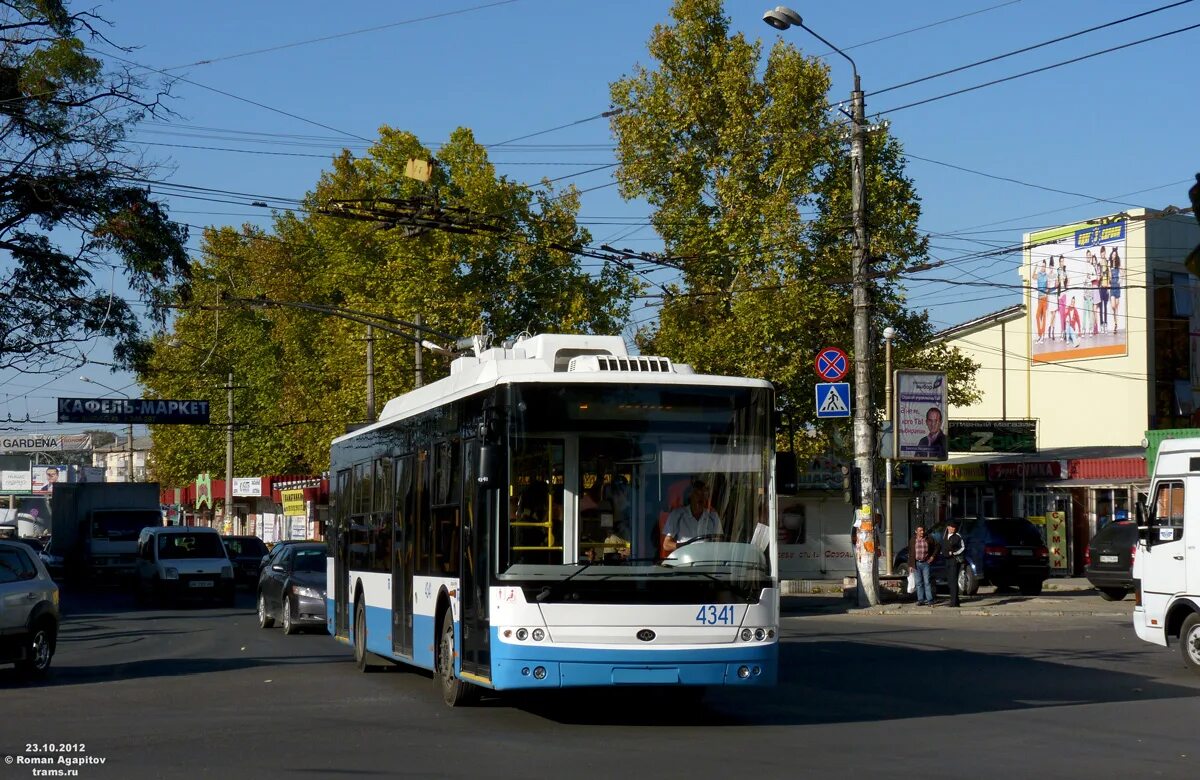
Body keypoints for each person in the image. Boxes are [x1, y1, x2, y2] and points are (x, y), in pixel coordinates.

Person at [661, 479, 721, 553]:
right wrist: (684, 547)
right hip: (684, 558)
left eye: (703, 494)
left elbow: (720, 543)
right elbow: (666, 544)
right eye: (697, 493)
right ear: (690, 495)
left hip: (707, 558)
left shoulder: (713, 517)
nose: (700, 497)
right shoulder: (677, 515)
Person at [908, 525, 939, 606]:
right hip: (916, 563)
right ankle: (920, 600)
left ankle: (930, 600)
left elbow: (937, 546)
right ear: (916, 531)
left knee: (927, 582)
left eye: (923, 530)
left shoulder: (928, 538)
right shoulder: (913, 540)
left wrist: (932, 556)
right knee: (918, 583)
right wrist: (910, 565)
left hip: (926, 563)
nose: (922, 532)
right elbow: (910, 553)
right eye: (920, 531)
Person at [942, 520, 966, 608]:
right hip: (946, 560)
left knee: (953, 581)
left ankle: (953, 602)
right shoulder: (944, 536)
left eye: (954, 527)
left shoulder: (957, 536)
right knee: (949, 582)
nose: (953, 528)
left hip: (954, 561)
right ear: (948, 527)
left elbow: (963, 547)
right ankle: (956, 601)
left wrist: (954, 553)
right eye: (951, 527)